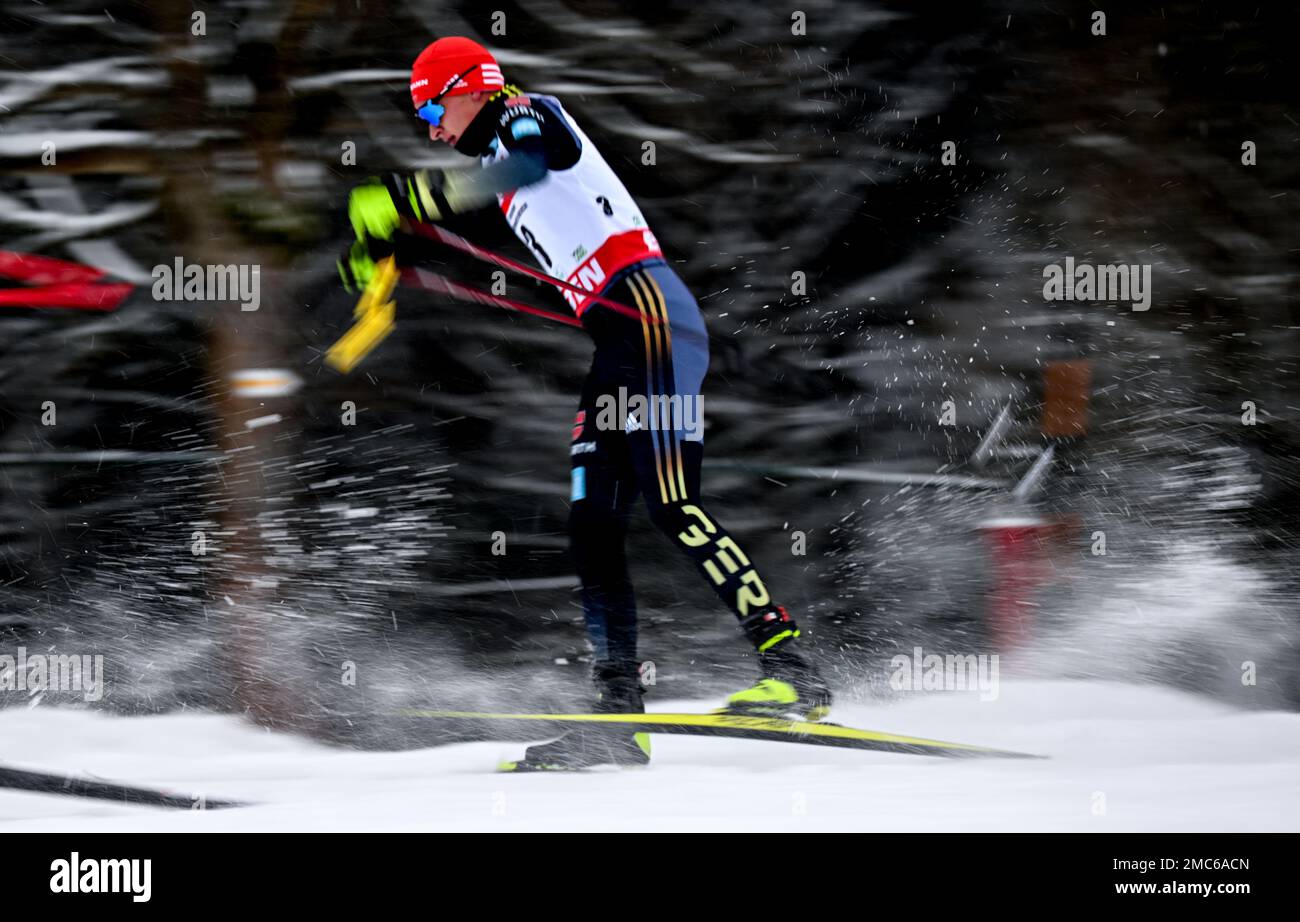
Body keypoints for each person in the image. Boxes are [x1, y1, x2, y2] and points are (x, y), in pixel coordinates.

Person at [341, 36, 831, 771]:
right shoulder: (494, 171)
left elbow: (533, 159)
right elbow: (478, 225)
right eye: (422, 114)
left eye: (433, 105)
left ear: (472, 87)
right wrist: (390, 249)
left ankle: (793, 672)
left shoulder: (526, 116)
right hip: (620, 338)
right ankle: (617, 719)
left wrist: (406, 198)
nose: (432, 126)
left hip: (653, 317)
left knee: (670, 503)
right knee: (591, 524)